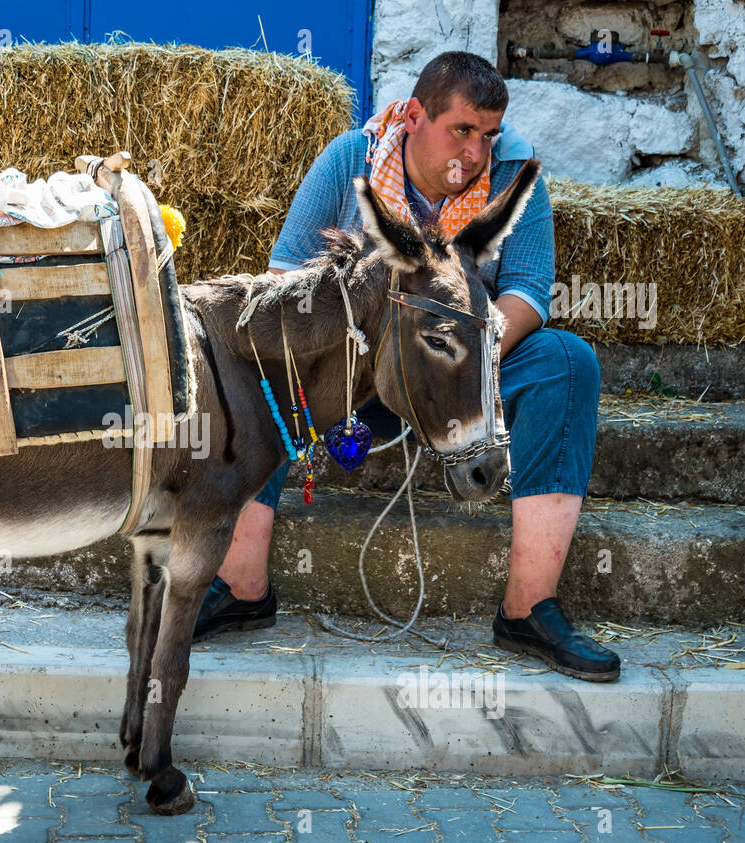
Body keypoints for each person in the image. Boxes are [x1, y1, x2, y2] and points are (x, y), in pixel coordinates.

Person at [194, 51, 620, 682]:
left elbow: (529, 289)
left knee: (567, 362)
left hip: (466, 365)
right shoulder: (350, 159)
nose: (476, 152)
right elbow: (285, 276)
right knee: (262, 357)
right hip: (356, 365)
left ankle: (529, 608)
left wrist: (458, 360)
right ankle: (239, 585)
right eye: (463, 130)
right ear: (416, 115)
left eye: (488, 135)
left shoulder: (514, 173)